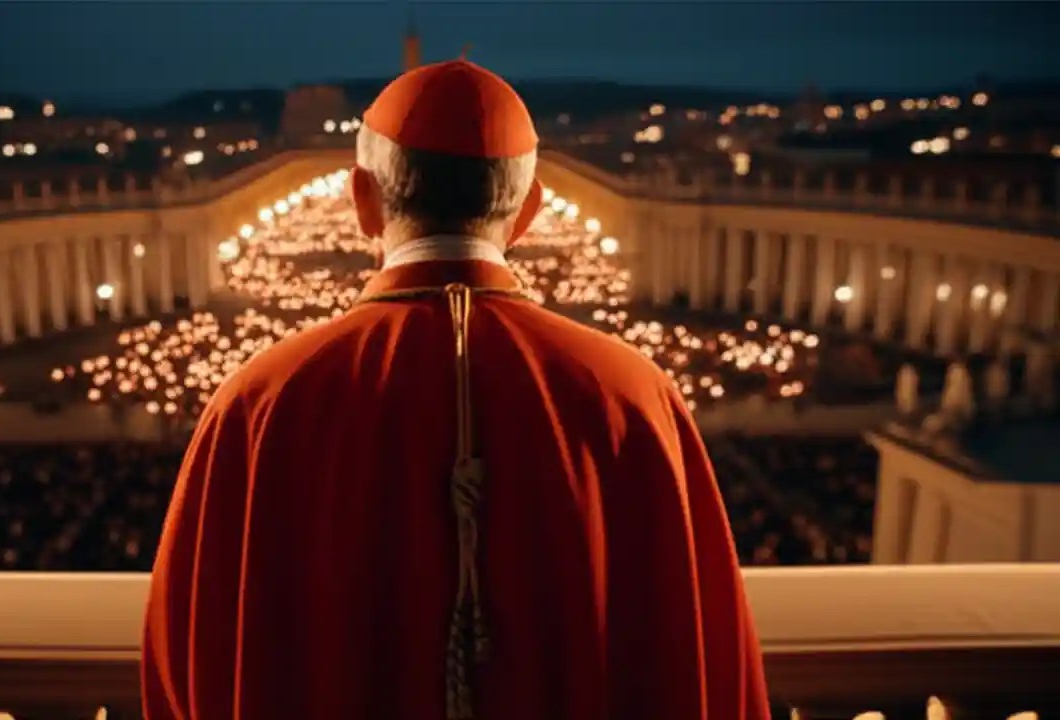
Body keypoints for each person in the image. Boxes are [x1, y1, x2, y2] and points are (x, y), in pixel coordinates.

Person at [143, 59, 770, 720]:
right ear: (527, 212)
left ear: (362, 200)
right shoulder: (632, 395)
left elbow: (187, 660)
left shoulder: (259, 400)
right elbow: (701, 661)